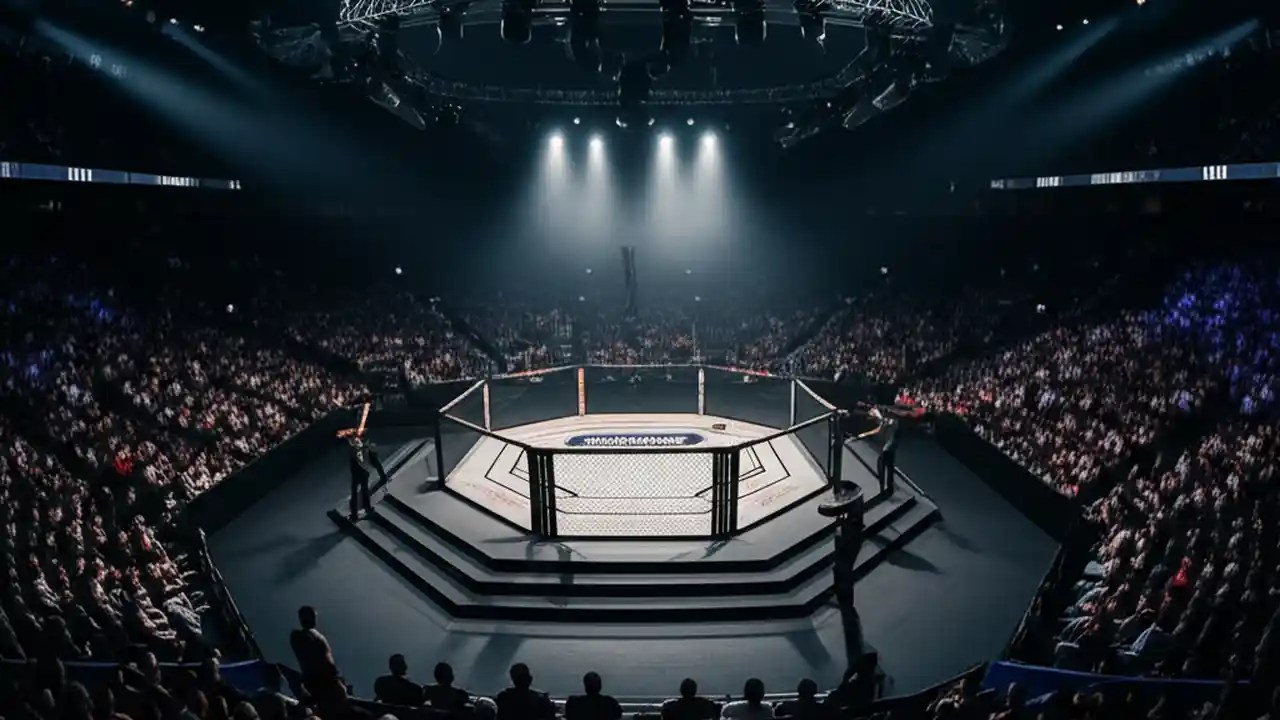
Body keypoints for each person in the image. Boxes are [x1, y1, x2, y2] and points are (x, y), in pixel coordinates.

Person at [288, 606, 341, 701]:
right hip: (318, 681)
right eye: (309, 615)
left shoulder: (316, 635)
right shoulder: (299, 636)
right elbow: (311, 658)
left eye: (313, 615)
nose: (312, 618)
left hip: (328, 679)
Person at [347, 435, 389, 521]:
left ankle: (355, 514)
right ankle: (367, 509)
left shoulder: (355, 451)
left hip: (356, 472)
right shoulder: (366, 452)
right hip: (362, 472)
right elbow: (377, 464)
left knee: (355, 491)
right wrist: (383, 476)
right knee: (363, 489)